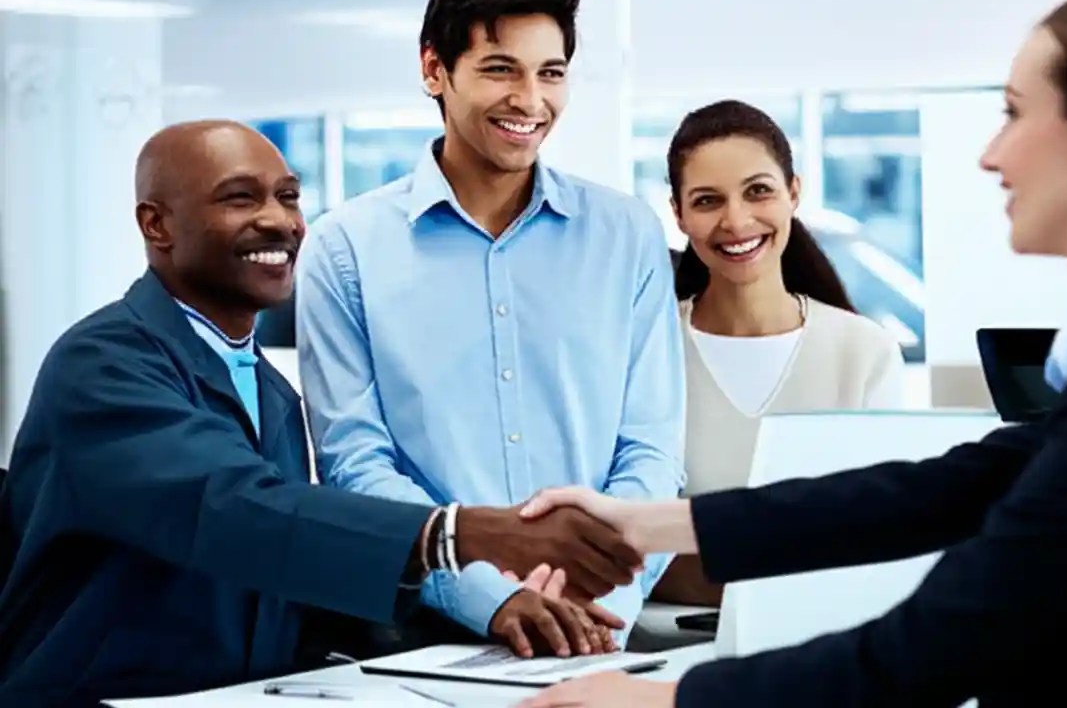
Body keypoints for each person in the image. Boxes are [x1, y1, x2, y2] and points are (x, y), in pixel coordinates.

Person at [513, 0, 1067, 705]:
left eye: (1013, 113)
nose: (990, 154)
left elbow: (936, 646)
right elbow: (948, 488)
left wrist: (668, 700)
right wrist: (646, 525)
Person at [0, 120, 639, 707]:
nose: (280, 222)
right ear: (157, 225)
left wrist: (492, 606)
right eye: (240, 198)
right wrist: (464, 535)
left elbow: (284, 581)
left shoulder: (268, 390)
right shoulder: (103, 365)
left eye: (288, 196)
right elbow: (236, 510)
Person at [294, 0, 684, 653]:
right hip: (419, 638)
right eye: (501, 68)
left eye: (551, 73)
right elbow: (355, 464)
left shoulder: (626, 235)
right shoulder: (345, 248)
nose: (530, 100)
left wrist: (595, 593)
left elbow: (651, 448)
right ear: (434, 70)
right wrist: (489, 595)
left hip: (600, 629)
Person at [653, 100, 906, 606]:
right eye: (707, 201)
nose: (736, 220)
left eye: (758, 192)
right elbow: (630, 546)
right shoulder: (648, 348)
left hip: (818, 641)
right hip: (662, 644)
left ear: (794, 192)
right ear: (678, 214)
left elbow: (878, 534)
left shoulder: (863, 352)